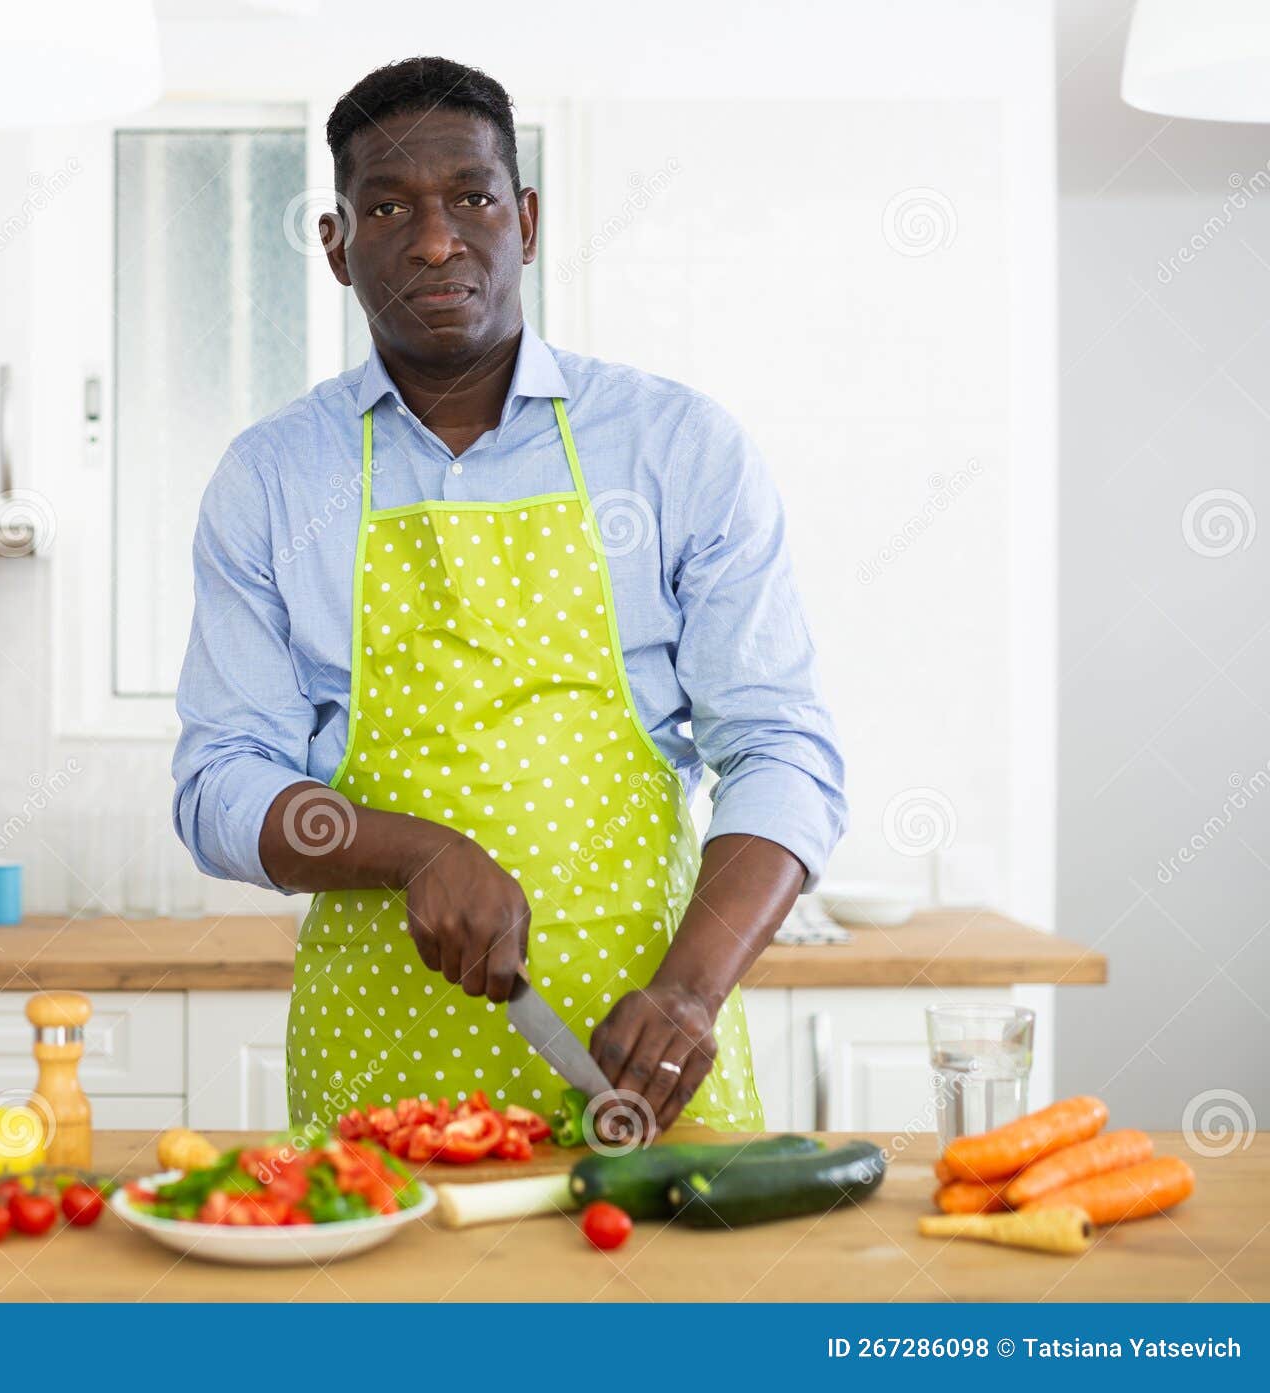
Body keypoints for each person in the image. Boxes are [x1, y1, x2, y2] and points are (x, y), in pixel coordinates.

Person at [173, 56, 846, 1134]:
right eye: (388, 208)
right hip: (379, 1087)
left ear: (525, 221)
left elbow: (781, 750)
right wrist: (413, 851)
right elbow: (219, 784)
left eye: (472, 198)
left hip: (649, 1075)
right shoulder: (273, 477)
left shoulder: (676, 446)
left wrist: (690, 991)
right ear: (336, 246)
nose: (436, 240)